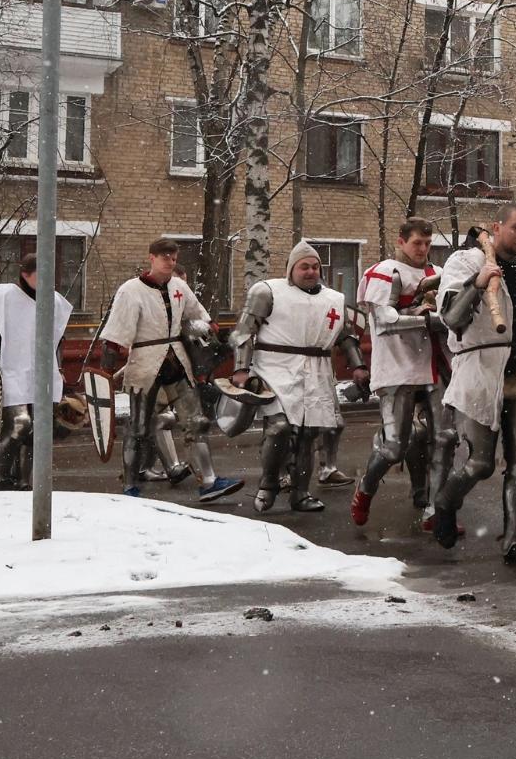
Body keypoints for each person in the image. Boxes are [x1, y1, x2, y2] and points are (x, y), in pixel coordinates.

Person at [431, 204, 516, 563]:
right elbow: (450, 317)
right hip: (479, 364)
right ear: (497, 226)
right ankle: (444, 503)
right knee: (480, 463)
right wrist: (477, 283)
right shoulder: (464, 261)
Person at [93, 238, 242, 503]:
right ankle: (130, 483)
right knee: (138, 428)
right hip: (145, 363)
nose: (170, 262)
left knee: (195, 422)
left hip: (176, 362)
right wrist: (105, 370)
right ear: (152, 258)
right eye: (165, 257)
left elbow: (197, 316)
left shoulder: (179, 286)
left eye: (173, 258)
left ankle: (208, 482)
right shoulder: (130, 290)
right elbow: (116, 335)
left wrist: (209, 329)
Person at [230, 241, 368, 514]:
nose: (310, 271)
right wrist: (241, 369)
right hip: (274, 368)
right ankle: (268, 484)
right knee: (278, 427)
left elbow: (346, 336)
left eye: (315, 266)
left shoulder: (334, 299)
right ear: (291, 268)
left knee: (308, 434)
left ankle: (300, 493)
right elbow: (244, 332)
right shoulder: (267, 292)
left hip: (316, 371)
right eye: (304, 266)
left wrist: (358, 366)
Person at [349, 218, 449, 527]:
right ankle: (365, 488)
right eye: (417, 243)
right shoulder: (385, 271)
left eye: (428, 244)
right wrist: (427, 319)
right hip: (397, 365)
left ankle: (436, 510)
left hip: (435, 365)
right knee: (394, 447)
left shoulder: (439, 274)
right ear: (402, 241)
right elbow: (385, 322)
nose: (422, 249)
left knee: (444, 439)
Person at [0, 254, 72, 491]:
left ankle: (25, 480)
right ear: (25, 274)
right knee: (19, 423)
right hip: (11, 368)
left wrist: (59, 368)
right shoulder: (5, 297)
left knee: (40, 427)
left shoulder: (54, 301)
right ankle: (0, 476)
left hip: (43, 371)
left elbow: (57, 339)